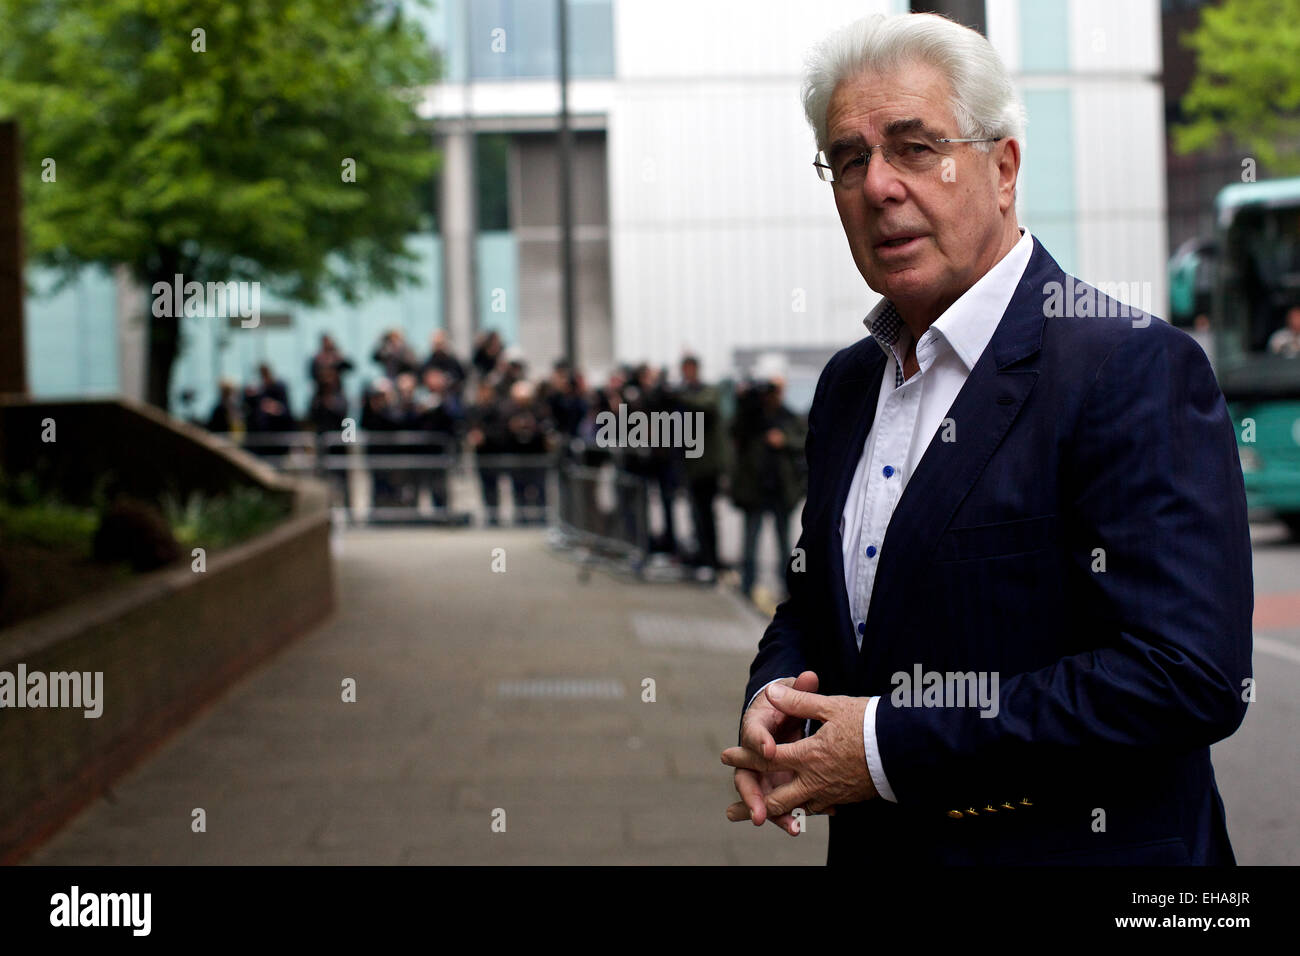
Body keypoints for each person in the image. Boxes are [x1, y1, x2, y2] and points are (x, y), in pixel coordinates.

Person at [721, 12, 1252, 866]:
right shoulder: (848, 385)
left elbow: (1185, 677)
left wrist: (884, 746)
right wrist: (777, 693)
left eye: (915, 146)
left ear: (1003, 168)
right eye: (849, 159)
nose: (879, 185)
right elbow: (821, 602)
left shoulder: (1133, 368)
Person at [729, 362, 806, 601]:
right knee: (750, 542)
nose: (772, 395)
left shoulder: (791, 417)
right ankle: (746, 584)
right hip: (756, 489)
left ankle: (789, 587)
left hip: (782, 491)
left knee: (786, 546)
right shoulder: (752, 417)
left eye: (776, 390)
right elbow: (734, 432)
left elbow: (805, 443)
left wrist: (784, 440)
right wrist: (743, 401)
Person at [678, 354, 726, 580]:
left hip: (707, 467)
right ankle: (701, 556)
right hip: (691, 465)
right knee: (696, 515)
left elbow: (706, 407)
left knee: (706, 515)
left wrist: (680, 396)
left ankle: (711, 561)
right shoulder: (686, 394)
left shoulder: (707, 392)